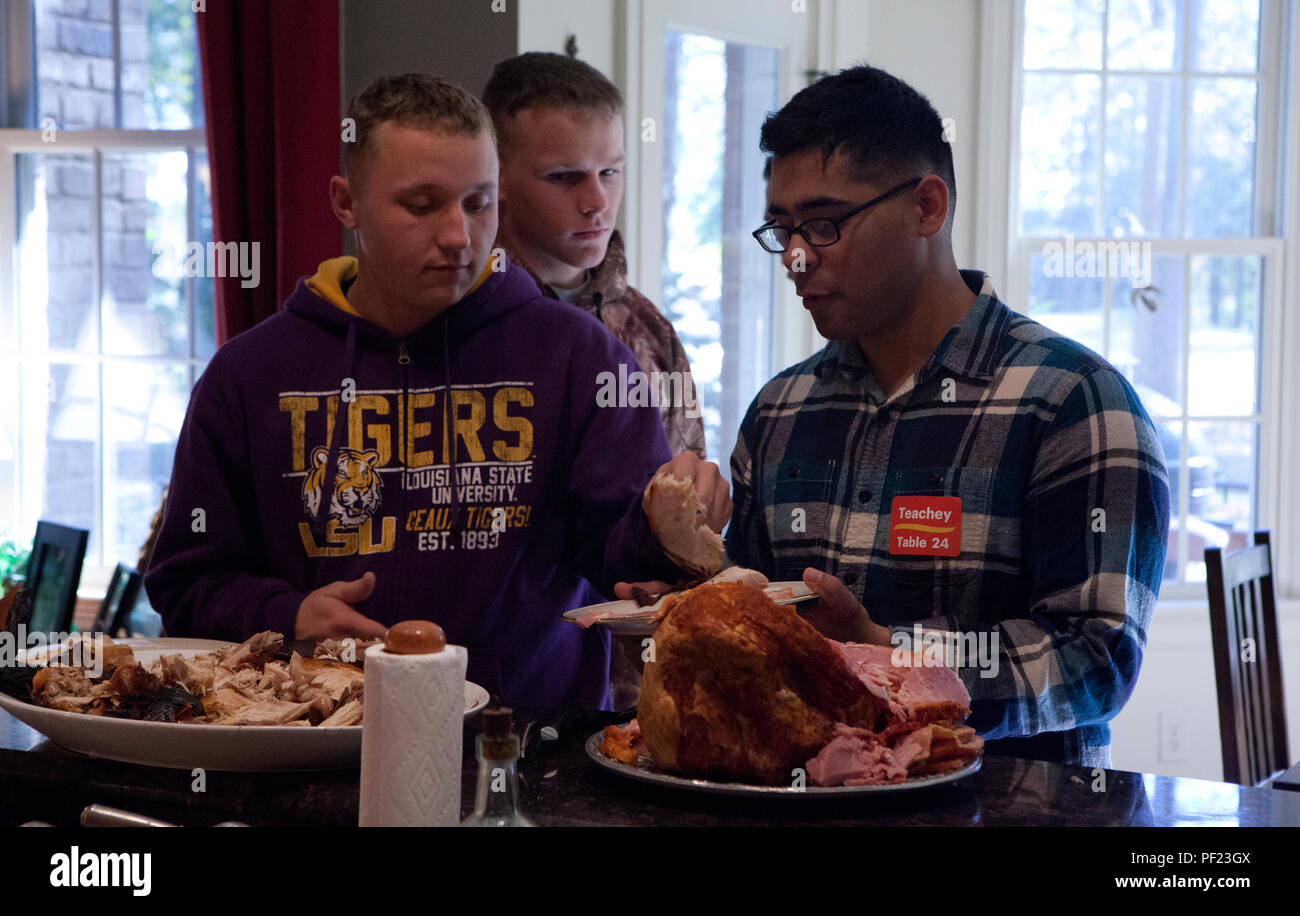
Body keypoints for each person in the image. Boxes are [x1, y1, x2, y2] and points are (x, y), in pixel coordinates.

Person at [144, 74, 729, 710]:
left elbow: (620, 561)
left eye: (479, 204)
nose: (458, 236)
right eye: (423, 206)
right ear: (346, 203)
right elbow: (187, 579)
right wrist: (288, 615)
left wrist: (671, 521)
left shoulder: (578, 355)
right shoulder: (249, 373)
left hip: (523, 752)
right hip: (307, 741)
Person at [724, 65, 1170, 767]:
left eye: (824, 224)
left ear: (927, 207)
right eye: (782, 231)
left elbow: (1097, 659)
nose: (797, 258)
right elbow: (746, 624)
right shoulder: (780, 411)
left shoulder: (1073, 402)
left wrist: (892, 657)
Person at [482, 52, 706, 459]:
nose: (596, 202)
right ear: (496, 178)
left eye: (609, 172)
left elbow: (685, 506)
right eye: (565, 177)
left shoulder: (652, 332)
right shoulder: (458, 314)